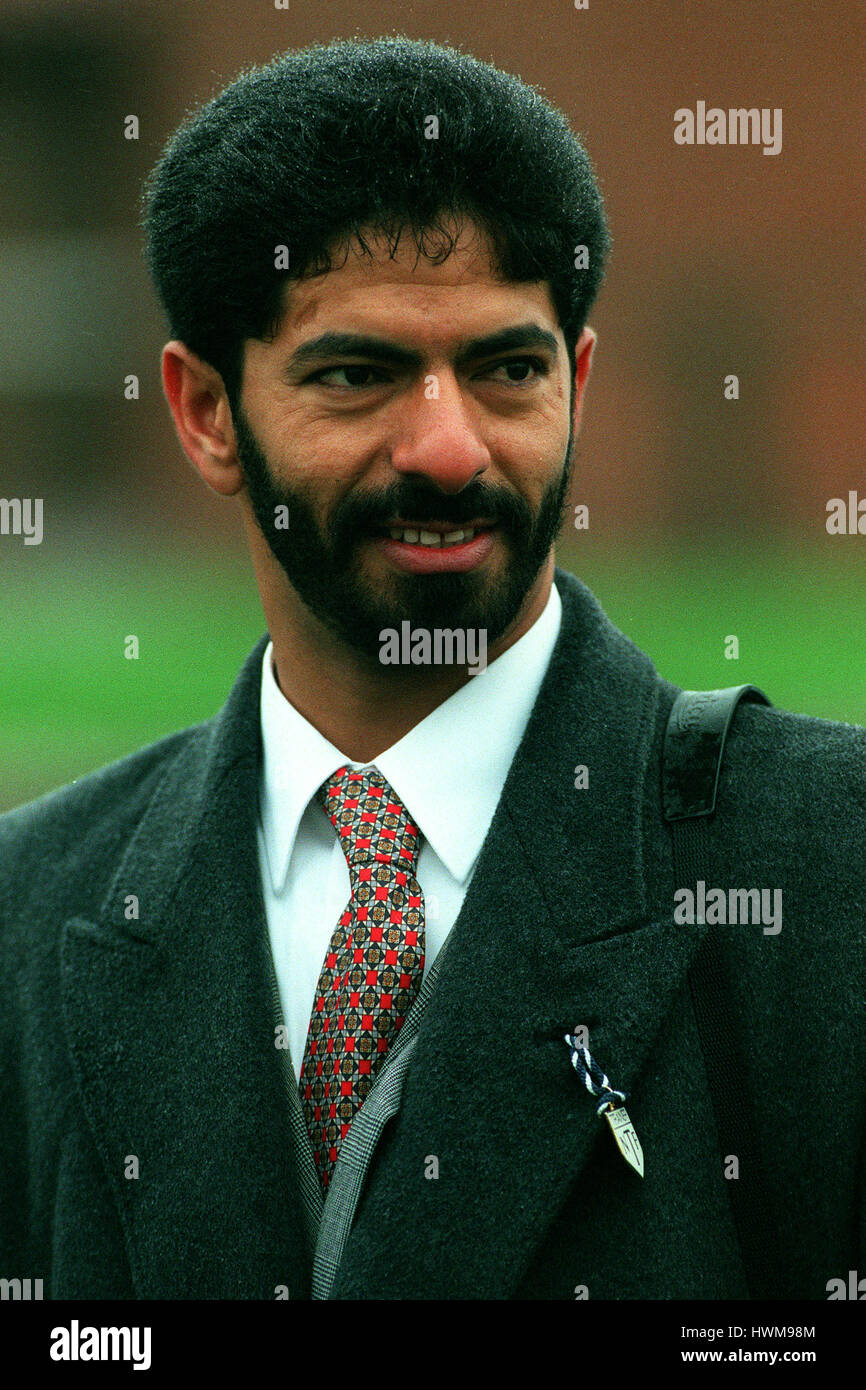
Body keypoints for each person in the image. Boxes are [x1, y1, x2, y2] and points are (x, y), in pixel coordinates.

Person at [1, 35, 863, 1303]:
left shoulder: (825, 868)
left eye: (506, 370)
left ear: (575, 381)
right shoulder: (27, 914)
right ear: (204, 414)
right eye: (357, 375)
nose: (449, 449)